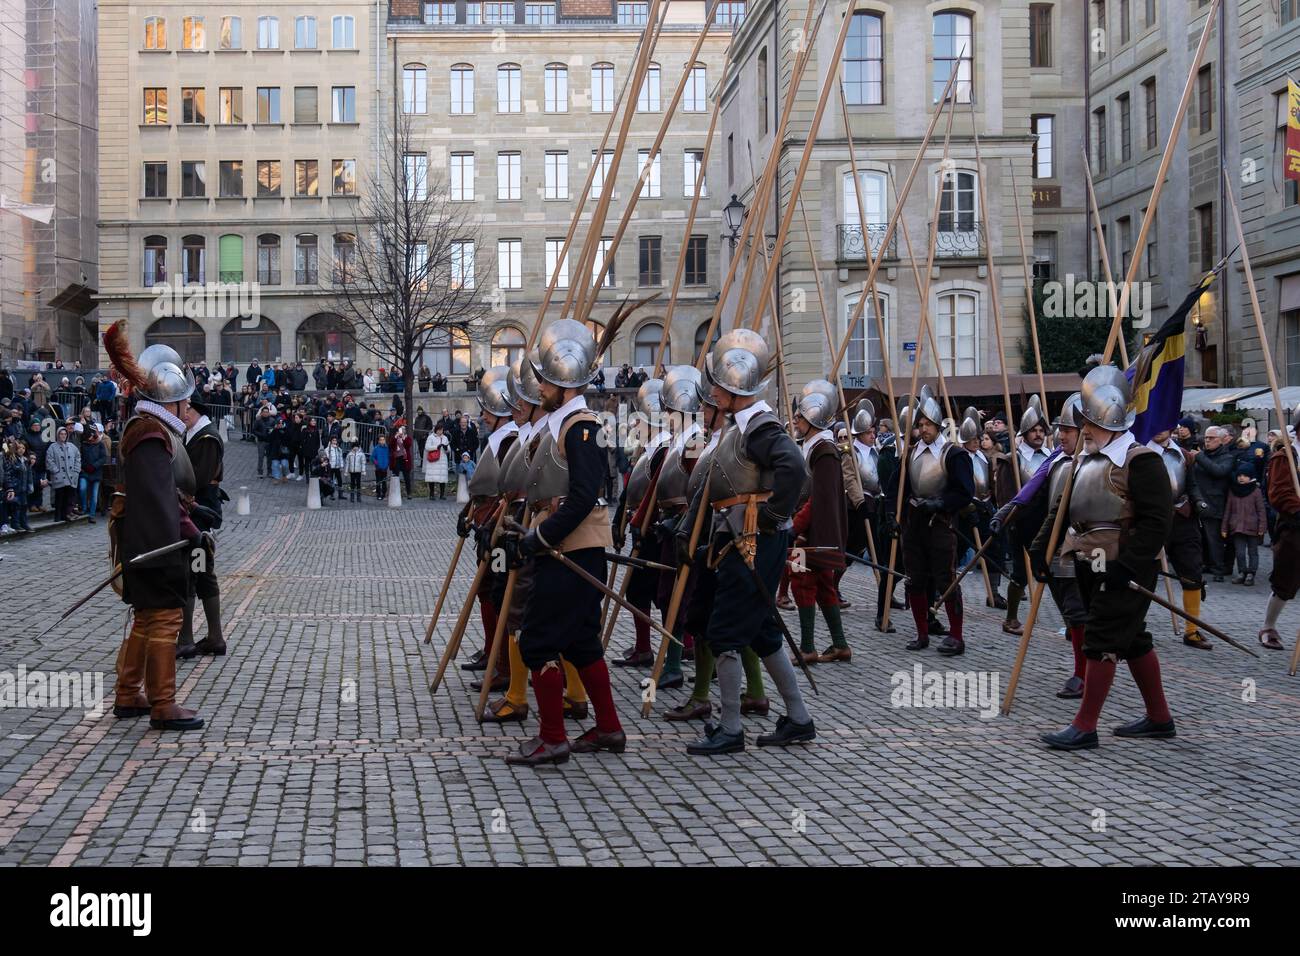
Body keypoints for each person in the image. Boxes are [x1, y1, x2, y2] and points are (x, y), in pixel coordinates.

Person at [685, 328, 814, 756]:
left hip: (754, 541)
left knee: (724, 633)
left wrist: (774, 517)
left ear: (730, 390)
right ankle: (798, 719)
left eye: (717, 387)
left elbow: (795, 468)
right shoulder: (740, 425)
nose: (712, 393)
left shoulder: (759, 427)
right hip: (742, 537)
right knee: (762, 633)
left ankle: (730, 728)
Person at [501, 319, 624, 766]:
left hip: (571, 549)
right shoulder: (561, 422)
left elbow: (582, 498)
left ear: (557, 383)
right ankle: (609, 728)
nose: (538, 388)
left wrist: (539, 537)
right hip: (563, 546)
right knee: (582, 643)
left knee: (537, 641)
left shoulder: (580, 426)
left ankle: (553, 738)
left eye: (543, 381)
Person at [1040, 365, 1174, 750]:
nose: (1082, 430)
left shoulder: (1142, 461)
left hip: (1124, 564)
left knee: (1100, 636)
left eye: (1089, 424)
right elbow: (1063, 511)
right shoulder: (1087, 459)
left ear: (1109, 422)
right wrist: (1041, 548)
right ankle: (1160, 718)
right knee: (1132, 638)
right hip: (1090, 559)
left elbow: (1155, 522)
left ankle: (1085, 725)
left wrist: (1128, 566)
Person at [104, 326, 205, 732]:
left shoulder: (150, 429)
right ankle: (164, 703)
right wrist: (183, 537)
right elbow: (155, 500)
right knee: (164, 618)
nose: (188, 407)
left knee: (147, 619)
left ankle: (129, 694)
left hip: (148, 540)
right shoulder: (148, 434)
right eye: (184, 402)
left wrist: (191, 511)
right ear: (172, 403)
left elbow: (164, 492)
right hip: (153, 544)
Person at [884, 387, 975, 656]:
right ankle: (922, 633)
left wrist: (940, 503)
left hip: (940, 523)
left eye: (927, 424)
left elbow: (964, 491)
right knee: (915, 579)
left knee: (946, 579)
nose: (923, 429)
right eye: (920, 424)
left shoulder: (953, 454)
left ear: (938, 425)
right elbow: (895, 489)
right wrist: (892, 514)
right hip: (914, 523)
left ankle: (956, 636)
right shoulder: (909, 454)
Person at [458, 367, 519, 695]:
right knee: (488, 591)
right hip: (486, 528)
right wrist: (468, 511)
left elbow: (506, 491)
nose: (481, 415)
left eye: (486, 408)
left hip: (499, 534)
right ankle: (492, 652)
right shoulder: (499, 438)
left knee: (498, 594)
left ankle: (503, 665)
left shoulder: (509, 440)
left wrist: (490, 522)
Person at [1025, 396, 1089, 698]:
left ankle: (1083, 673)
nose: (1061, 435)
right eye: (1060, 428)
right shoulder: (1056, 463)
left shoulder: (1093, 465)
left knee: (1080, 614)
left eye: (1069, 429)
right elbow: (1040, 503)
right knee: (1070, 614)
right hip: (1057, 550)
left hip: (1087, 552)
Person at [788, 380, 850, 664]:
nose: (796, 420)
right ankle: (839, 645)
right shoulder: (812, 446)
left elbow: (819, 500)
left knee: (802, 583)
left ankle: (808, 647)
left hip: (810, 536)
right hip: (808, 532)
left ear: (812, 418)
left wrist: (795, 528)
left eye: (800, 415)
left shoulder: (824, 451)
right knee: (823, 584)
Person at [610, 379, 670, 669]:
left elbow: (657, 493)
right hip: (640, 527)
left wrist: (640, 523)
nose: (635, 425)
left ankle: (682, 646)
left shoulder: (663, 451)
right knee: (640, 591)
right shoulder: (648, 449)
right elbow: (632, 490)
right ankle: (644, 647)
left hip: (657, 531)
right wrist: (619, 521)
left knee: (662, 592)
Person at [1147, 429, 1211, 650]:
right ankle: (1133, 626)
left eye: (1164, 425)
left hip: (1183, 519)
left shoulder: (1184, 455)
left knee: (1192, 573)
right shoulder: (1139, 453)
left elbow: (1191, 485)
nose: (1159, 429)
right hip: (1151, 519)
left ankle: (1191, 631)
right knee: (1143, 573)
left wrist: (1199, 501)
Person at [991, 398, 1050, 636]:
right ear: (1024, 433)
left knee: (1053, 571)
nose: (1038, 434)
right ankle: (1011, 617)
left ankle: (1071, 622)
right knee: (1021, 573)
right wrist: (1010, 521)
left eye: (1040, 430)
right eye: (1033, 430)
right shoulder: (1012, 460)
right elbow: (1004, 495)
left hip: (1046, 522)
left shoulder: (1052, 457)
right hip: (1020, 522)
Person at [177, 396, 226, 658]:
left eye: (187, 409)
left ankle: (186, 638)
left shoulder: (207, 438)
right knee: (200, 571)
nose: (183, 413)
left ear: (197, 412)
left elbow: (197, 478)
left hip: (200, 516)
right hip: (197, 514)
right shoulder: (195, 434)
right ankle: (213, 638)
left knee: (194, 571)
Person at [1191, 425, 1235, 582]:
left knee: (1214, 538)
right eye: (1206, 438)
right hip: (1198, 501)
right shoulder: (1202, 455)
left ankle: (1219, 569)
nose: (1207, 441)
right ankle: (1206, 564)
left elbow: (1219, 471)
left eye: (1211, 438)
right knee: (1200, 537)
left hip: (1215, 504)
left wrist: (1199, 457)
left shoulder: (1227, 457)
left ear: (1221, 440)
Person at [1222, 459, 1266, 587]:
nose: (1241, 478)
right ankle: (1242, 572)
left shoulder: (1256, 491)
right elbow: (1228, 510)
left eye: (1245, 476)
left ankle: (1251, 573)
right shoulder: (1233, 491)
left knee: (1253, 552)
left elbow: (1261, 510)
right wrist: (1224, 527)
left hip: (1253, 527)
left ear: (1251, 477)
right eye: (1240, 476)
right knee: (1240, 552)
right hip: (1236, 527)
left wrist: (1262, 527)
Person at [45, 426, 81, 522]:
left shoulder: (72, 446)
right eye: (61, 434)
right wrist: (56, 470)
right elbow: (49, 460)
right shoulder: (52, 447)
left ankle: (66, 514)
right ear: (58, 435)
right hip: (59, 477)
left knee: (68, 497)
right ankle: (57, 516)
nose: (63, 436)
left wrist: (76, 470)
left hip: (70, 476)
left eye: (65, 434)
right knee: (59, 497)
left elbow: (78, 457)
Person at [371, 433, 390, 499]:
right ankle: (378, 493)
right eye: (381, 440)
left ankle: (384, 493)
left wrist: (387, 464)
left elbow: (388, 457)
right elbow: (373, 457)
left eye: (383, 440)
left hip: (385, 468)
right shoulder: (376, 448)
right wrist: (377, 464)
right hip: (378, 468)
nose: (382, 441)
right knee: (378, 481)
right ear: (378, 441)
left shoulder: (387, 448)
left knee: (384, 481)